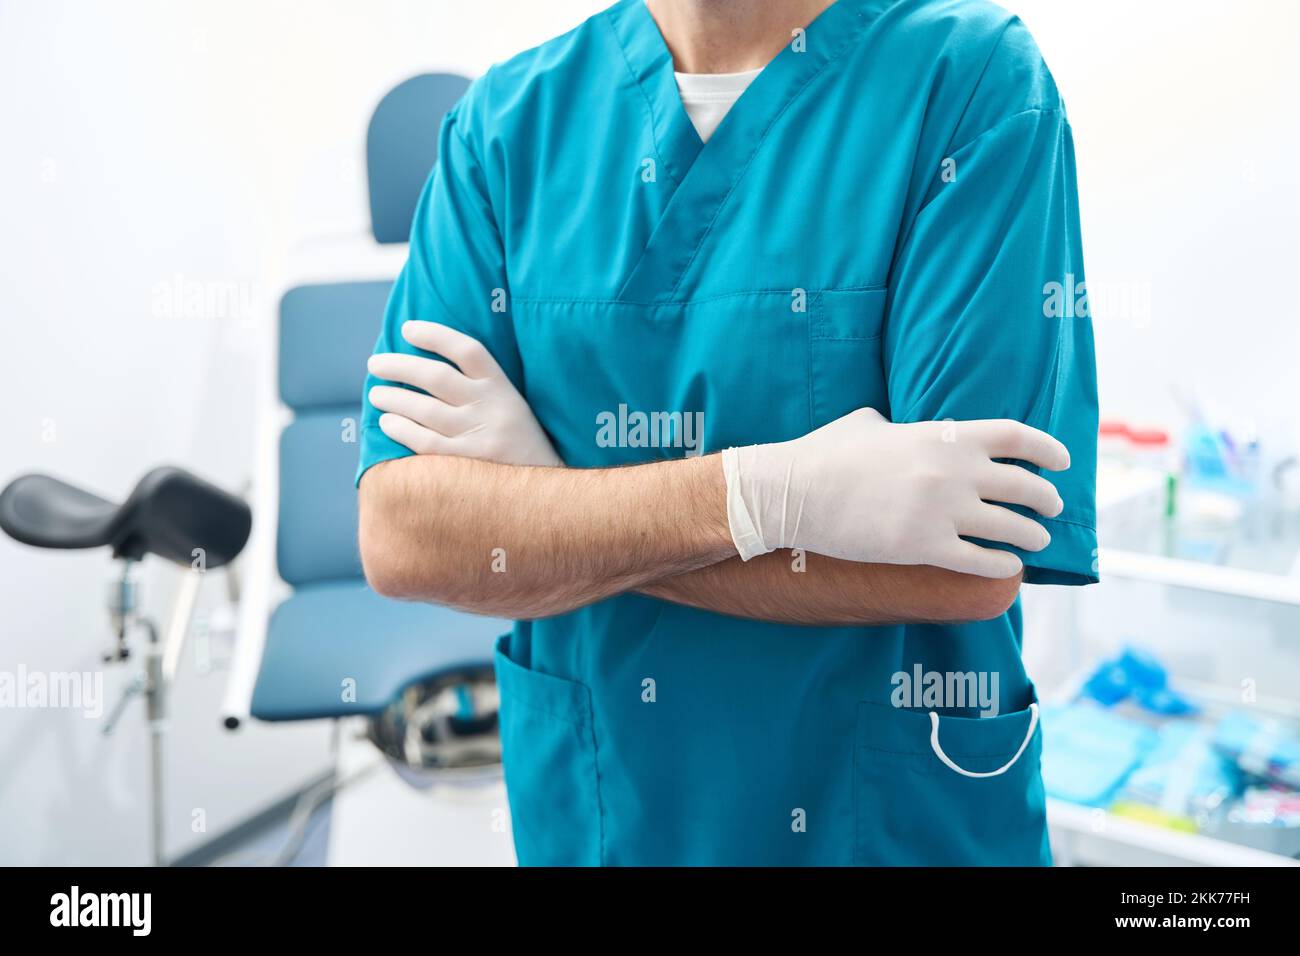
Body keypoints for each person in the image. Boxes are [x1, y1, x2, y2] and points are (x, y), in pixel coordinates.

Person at [356, 0, 1098, 865]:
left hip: (878, 821)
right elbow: (405, 538)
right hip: (607, 814)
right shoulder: (506, 123)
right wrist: (765, 497)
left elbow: (962, 567)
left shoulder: (969, 80)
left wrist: (550, 501)